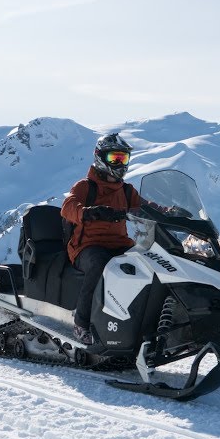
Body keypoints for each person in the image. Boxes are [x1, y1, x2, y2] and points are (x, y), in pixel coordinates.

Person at [61, 133, 154, 345]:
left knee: (148, 263)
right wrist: (88, 212)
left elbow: (147, 208)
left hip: (120, 245)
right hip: (87, 246)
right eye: (115, 158)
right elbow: (67, 207)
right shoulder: (85, 187)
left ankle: (137, 320)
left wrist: (169, 212)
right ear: (100, 157)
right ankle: (81, 324)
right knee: (100, 265)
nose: (120, 164)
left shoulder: (127, 190)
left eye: (124, 159)